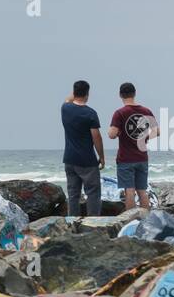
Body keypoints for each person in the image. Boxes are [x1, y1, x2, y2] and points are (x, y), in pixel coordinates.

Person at [107, 82, 156, 210]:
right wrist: (144, 138)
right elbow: (158, 131)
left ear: (120, 95)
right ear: (135, 94)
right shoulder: (146, 111)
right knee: (142, 190)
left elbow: (111, 135)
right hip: (142, 157)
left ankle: (130, 220)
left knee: (129, 190)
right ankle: (146, 220)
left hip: (126, 158)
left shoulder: (120, 113)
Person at [60, 80, 104, 217]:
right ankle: (93, 223)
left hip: (69, 159)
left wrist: (75, 93)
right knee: (92, 193)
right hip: (87, 161)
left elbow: (68, 99)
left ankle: (72, 222)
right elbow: (96, 137)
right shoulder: (90, 113)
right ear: (87, 94)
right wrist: (101, 156)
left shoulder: (65, 108)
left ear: (74, 92)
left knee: (73, 194)